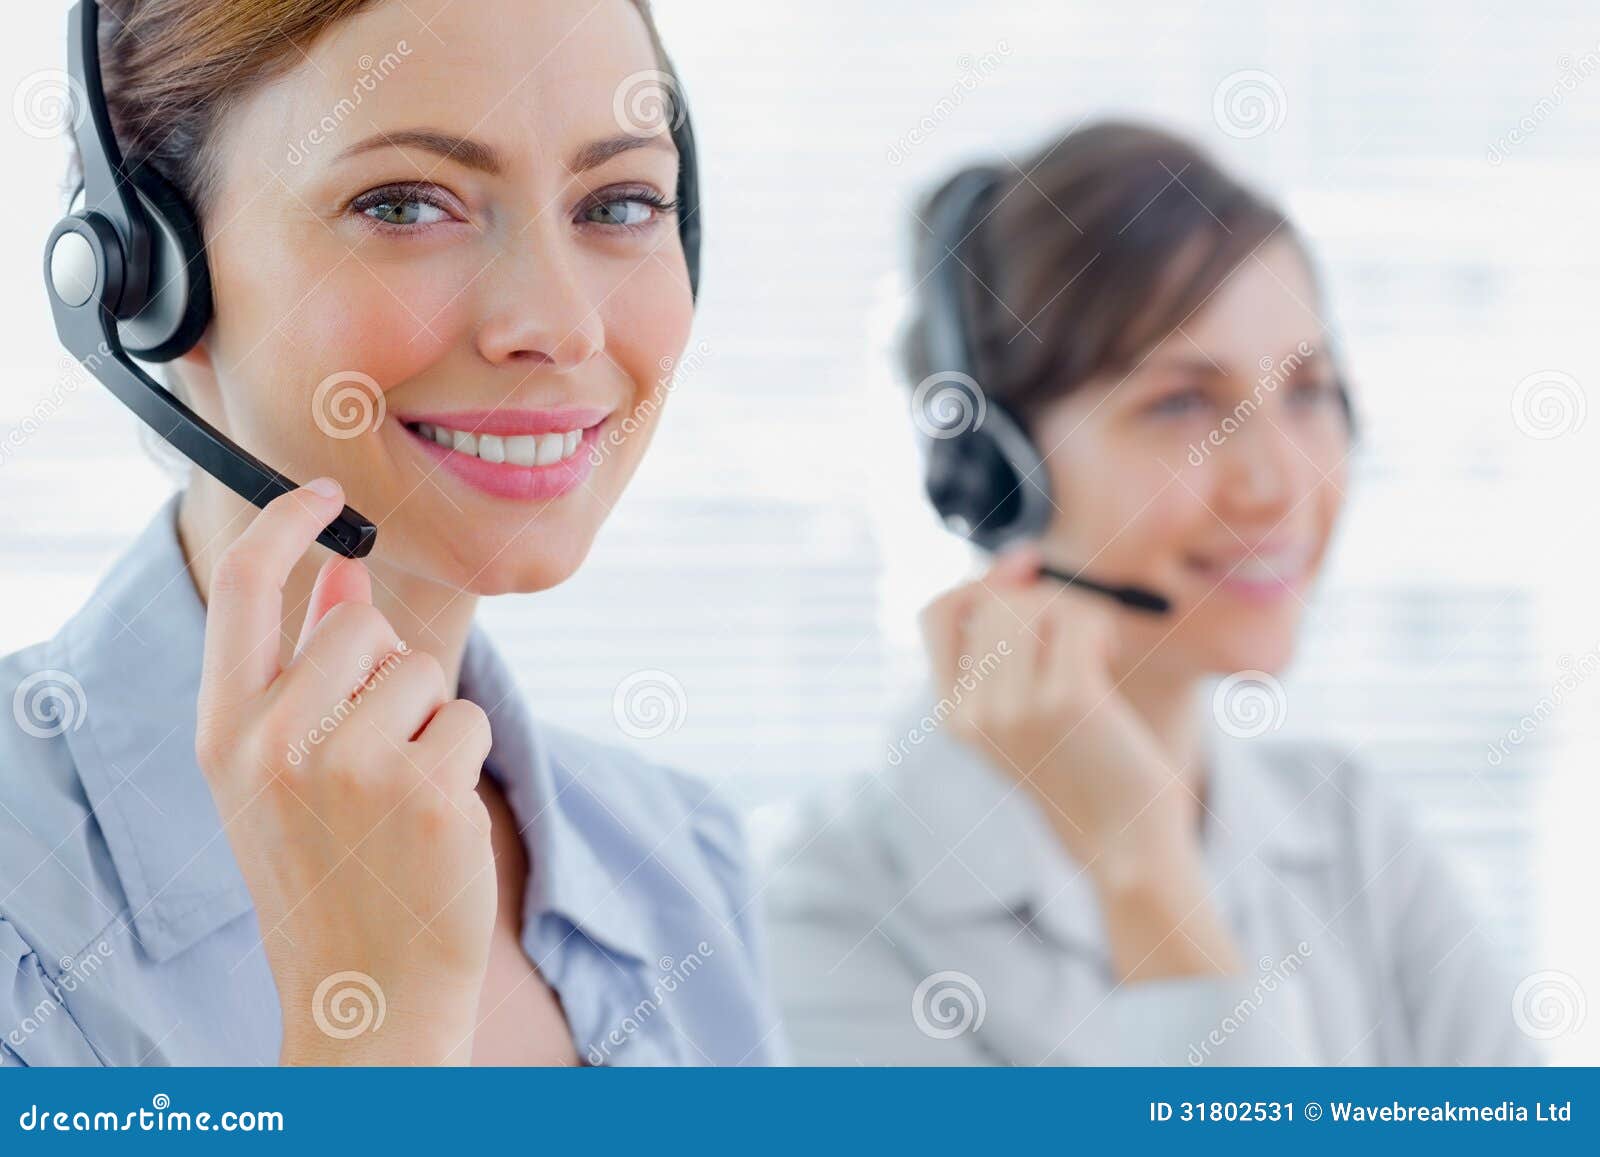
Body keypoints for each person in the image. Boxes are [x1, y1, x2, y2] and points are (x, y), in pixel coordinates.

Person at [1, 0, 781, 1067]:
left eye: (621, 201)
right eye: (406, 203)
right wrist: (365, 1031)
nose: (560, 324)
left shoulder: (681, 859)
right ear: (149, 272)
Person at [757, 120, 1539, 1066]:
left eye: (1308, 389)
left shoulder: (1354, 837)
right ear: (994, 470)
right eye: (1182, 403)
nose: (1280, 483)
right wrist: (1144, 868)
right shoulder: (822, 921)